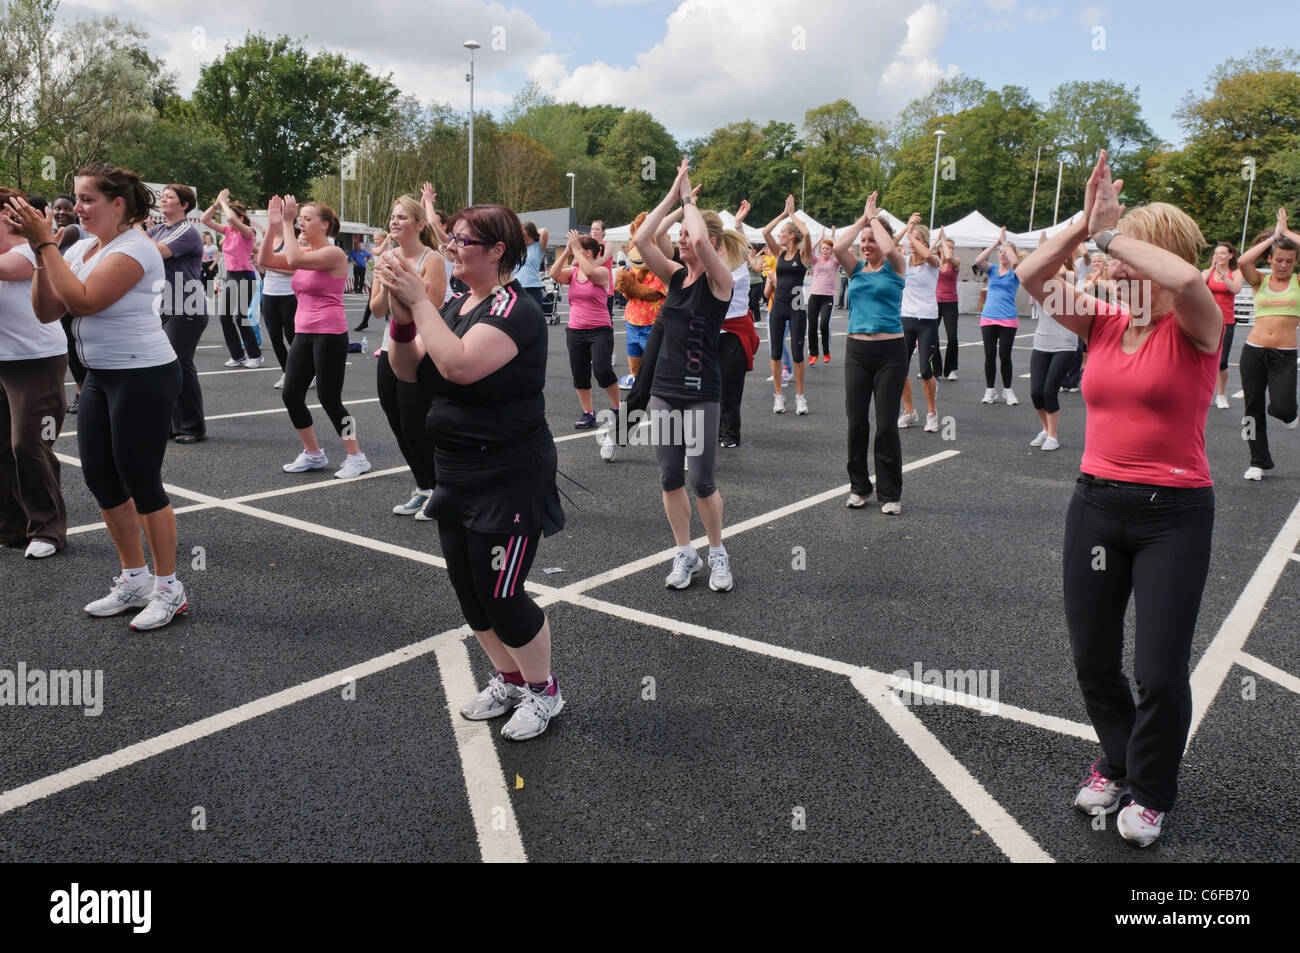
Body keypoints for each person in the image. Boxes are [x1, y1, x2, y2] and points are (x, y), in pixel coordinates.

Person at [1017, 150, 1223, 847]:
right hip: (1097, 506)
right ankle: (1117, 758)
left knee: (1159, 671)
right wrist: (1084, 224)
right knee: (1094, 658)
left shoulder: (1196, 325)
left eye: (1124, 254)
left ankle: (1153, 791)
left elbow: (1187, 278)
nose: (1109, 265)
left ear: (1151, 256)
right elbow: (1031, 275)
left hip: (1175, 516)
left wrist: (1110, 233)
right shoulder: (1103, 320)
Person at [379, 204, 565, 741]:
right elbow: (406, 368)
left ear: (497, 250)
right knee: (469, 589)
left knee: (501, 591)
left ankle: (544, 691)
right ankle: (511, 679)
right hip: (456, 469)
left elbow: (458, 365)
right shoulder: (458, 305)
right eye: (452, 238)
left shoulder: (517, 310)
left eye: (463, 240)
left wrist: (420, 300)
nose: (452, 247)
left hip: (509, 474)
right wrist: (403, 314)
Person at [12, 164, 187, 629]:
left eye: (88, 199)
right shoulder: (83, 247)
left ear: (118, 204)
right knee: (102, 480)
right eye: (76, 198)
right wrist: (41, 254)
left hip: (144, 374)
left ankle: (169, 588)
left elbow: (85, 301)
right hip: (100, 376)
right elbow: (47, 310)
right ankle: (134, 579)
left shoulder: (136, 249)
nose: (77, 208)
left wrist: (45, 245)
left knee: (141, 481)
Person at [638, 159, 741, 591]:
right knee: (669, 477)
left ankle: (717, 553)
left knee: (701, 480)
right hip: (665, 390)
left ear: (713, 244)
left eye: (685, 235)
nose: (681, 240)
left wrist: (688, 200)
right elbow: (642, 239)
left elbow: (698, 237)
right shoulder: (675, 277)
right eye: (678, 235)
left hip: (701, 393)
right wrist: (674, 195)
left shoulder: (720, 281)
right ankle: (685, 553)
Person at [259, 195, 371, 479]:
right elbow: (264, 260)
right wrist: (274, 225)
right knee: (291, 394)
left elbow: (294, 258)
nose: (301, 223)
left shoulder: (333, 254)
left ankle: (356, 456)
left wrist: (287, 223)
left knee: (330, 398)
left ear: (325, 225)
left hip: (329, 334)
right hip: (303, 333)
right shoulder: (305, 254)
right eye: (300, 219)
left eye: (307, 219)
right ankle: (313, 453)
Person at [0, 185, 68, 559]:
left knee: (29, 444)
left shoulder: (30, 251)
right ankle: (12, 527)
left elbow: (5, 271)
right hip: (3, 362)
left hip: (36, 363)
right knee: (4, 447)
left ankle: (48, 529)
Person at [370, 196, 446, 518]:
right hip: (391, 347)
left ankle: (441, 490)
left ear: (419, 224)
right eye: (392, 216)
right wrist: (387, 284)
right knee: (397, 423)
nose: (394, 221)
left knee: (417, 425)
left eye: (402, 217)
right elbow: (377, 311)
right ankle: (423, 487)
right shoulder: (386, 257)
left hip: (422, 349)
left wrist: (401, 282)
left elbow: (433, 306)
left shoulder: (433, 259)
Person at [835, 192, 907, 515]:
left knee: (887, 425)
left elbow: (890, 248)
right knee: (856, 423)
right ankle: (859, 487)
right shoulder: (855, 270)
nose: (865, 245)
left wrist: (875, 218)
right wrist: (862, 221)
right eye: (863, 241)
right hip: (857, 352)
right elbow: (839, 247)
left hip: (890, 353)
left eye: (871, 240)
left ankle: (890, 492)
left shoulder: (896, 267)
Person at [1236, 209, 1300, 481]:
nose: (1283, 265)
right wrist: (1274, 237)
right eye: (1278, 260)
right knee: (1252, 408)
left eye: (1289, 261)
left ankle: (1286, 412)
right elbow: (1242, 260)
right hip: (1253, 352)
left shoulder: (1297, 282)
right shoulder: (1259, 280)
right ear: (1270, 259)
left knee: (1284, 408)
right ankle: (1257, 461)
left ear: (1295, 262)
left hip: (1284, 355)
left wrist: (1287, 233)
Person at [143, 184, 208, 444]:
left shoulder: (186, 230)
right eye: (162, 196)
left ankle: (192, 426)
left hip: (186, 307)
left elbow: (156, 251)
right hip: (162, 306)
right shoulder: (158, 229)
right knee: (161, 366)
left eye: (169, 197)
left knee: (179, 364)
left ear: (184, 205)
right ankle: (171, 424)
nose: (163, 199)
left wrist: (135, 226)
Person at [549, 230, 620, 455]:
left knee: (602, 371)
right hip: (576, 331)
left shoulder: (602, 272)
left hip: (600, 330)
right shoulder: (572, 272)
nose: (575, 253)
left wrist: (576, 250)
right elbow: (553, 273)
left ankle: (618, 408)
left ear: (588, 252)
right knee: (580, 375)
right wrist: (566, 253)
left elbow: (590, 273)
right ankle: (588, 413)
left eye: (579, 250)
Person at [1027, 232, 1078, 452]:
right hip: (1041, 343)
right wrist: (1042, 249)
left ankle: (1053, 436)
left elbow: (1059, 272)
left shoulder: (1070, 277)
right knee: (1036, 392)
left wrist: (1048, 250)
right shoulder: (1039, 282)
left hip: (1064, 344)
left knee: (1049, 391)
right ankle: (1045, 429)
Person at [200, 188, 263, 368]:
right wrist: (216, 204)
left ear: (241, 218)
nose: (228, 220)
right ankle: (238, 356)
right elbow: (204, 220)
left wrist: (224, 204)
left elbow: (232, 219)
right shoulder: (228, 232)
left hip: (245, 276)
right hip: (231, 276)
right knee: (225, 317)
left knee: (241, 317)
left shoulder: (248, 232)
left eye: (232, 217)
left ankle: (255, 355)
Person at [762, 195, 812, 414]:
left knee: (798, 353)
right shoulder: (779, 253)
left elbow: (807, 233)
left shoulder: (803, 255)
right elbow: (765, 232)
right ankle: (778, 396)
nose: (778, 235)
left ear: (791, 235)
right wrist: (783, 213)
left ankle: (800, 397)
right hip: (779, 303)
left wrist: (792, 215)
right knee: (775, 351)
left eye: (782, 232)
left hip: (797, 303)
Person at [718, 200, 762, 448]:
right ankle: (717, 429)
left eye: (723, 247)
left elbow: (743, 249)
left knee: (731, 386)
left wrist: (738, 225)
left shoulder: (741, 272)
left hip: (734, 334)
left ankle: (730, 433)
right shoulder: (717, 267)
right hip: (714, 332)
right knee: (713, 385)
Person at [896, 213, 942, 433]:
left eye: (918, 239)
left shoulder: (933, 263)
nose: (912, 243)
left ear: (925, 242)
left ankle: (932, 413)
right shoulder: (904, 262)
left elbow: (927, 254)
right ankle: (909, 411)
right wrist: (908, 228)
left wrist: (913, 236)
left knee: (926, 370)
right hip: (906, 318)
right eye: (911, 239)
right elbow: (889, 246)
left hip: (927, 321)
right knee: (899, 369)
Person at [613, 212, 667, 391]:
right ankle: (636, 377)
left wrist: (632, 287)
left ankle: (656, 381)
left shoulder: (660, 269)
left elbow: (654, 293)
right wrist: (624, 287)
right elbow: (628, 294)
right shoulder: (634, 270)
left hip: (652, 321)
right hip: (633, 319)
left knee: (653, 356)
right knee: (633, 351)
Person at [974, 226, 1021, 405]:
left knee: (1005, 355)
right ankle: (990, 390)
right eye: (1000, 252)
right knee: (990, 354)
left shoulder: (1015, 272)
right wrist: (996, 243)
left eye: (1005, 252)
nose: (1002, 254)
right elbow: (978, 261)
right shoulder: (992, 269)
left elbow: (1016, 263)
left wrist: (1006, 243)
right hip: (989, 317)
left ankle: (1008, 390)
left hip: (1008, 318)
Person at [1202, 241, 1243, 410]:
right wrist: (1213, 268)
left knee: (1223, 361)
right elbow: (1198, 286)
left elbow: (1236, 289)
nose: (1219, 256)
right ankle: (1203, 394)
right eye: (1216, 253)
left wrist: (1223, 275)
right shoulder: (1207, 272)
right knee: (1203, 359)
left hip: (1226, 321)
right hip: (1207, 321)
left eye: (1223, 253)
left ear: (1230, 256)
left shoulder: (1236, 273)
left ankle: (1220, 395)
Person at [261, 225, 300, 389]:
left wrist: (268, 265)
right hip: (269, 293)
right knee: (275, 337)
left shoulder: (292, 240)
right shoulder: (268, 239)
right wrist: (260, 264)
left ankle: (307, 372)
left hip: (288, 294)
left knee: (292, 337)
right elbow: (261, 265)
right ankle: (286, 372)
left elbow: (293, 269)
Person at [806, 231, 837, 365]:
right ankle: (813, 354)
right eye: (823, 248)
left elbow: (840, 251)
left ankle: (826, 352)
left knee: (824, 325)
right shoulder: (816, 261)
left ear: (831, 251)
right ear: (820, 250)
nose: (825, 250)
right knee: (811, 326)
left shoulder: (834, 262)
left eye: (827, 249)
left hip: (828, 298)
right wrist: (820, 239)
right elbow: (808, 250)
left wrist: (833, 237)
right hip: (814, 297)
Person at [936, 230, 961, 380]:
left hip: (950, 302)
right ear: (940, 248)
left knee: (952, 337)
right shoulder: (935, 262)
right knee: (931, 337)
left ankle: (952, 369)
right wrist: (938, 241)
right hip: (935, 302)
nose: (949, 250)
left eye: (952, 247)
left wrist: (943, 239)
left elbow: (950, 257)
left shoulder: (955, 263)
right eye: (947, 247)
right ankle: (933, 369)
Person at [513, 221, 549, 310]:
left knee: (533, 315)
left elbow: (544, 231)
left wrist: (532, 231)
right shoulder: (519, 248)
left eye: (524, 235)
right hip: (517, 287)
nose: (522, 237)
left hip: (533, 288)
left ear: (530, 234)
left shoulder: (538, 247)